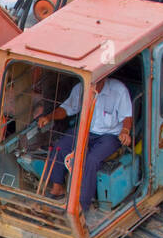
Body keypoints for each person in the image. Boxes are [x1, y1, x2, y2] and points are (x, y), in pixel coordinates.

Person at [34, 76, 133, 212]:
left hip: (110, 136)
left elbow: (127, 117)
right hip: (86, 131)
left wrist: (125, 132)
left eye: (96, 83)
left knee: (91, 160)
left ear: (104, 79)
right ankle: (57, 188)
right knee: (60, 146)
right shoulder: (81, 88)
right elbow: (67, 109)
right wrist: (48, 117)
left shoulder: (119, 91)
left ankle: (82, 204)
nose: (93, 87)